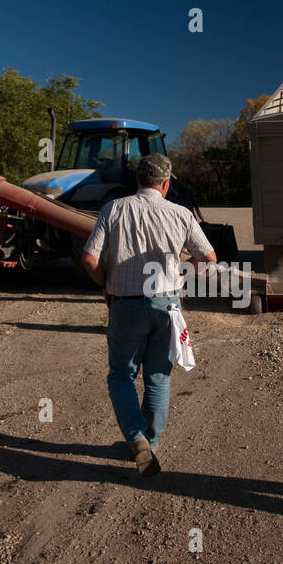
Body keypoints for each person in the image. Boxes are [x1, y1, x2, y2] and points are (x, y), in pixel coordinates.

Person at [82, 153, 216, 476]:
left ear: (137, 180)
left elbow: (89, 258)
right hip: (167, 305)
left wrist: (107, 284)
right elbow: (209, 259)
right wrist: (183, 271)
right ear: (166, 184)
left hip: (126, 304)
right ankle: (150, 442)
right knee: (158, 376)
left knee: (121, 376)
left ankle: (136, 439)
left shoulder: (113, 209)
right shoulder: (181, 214)